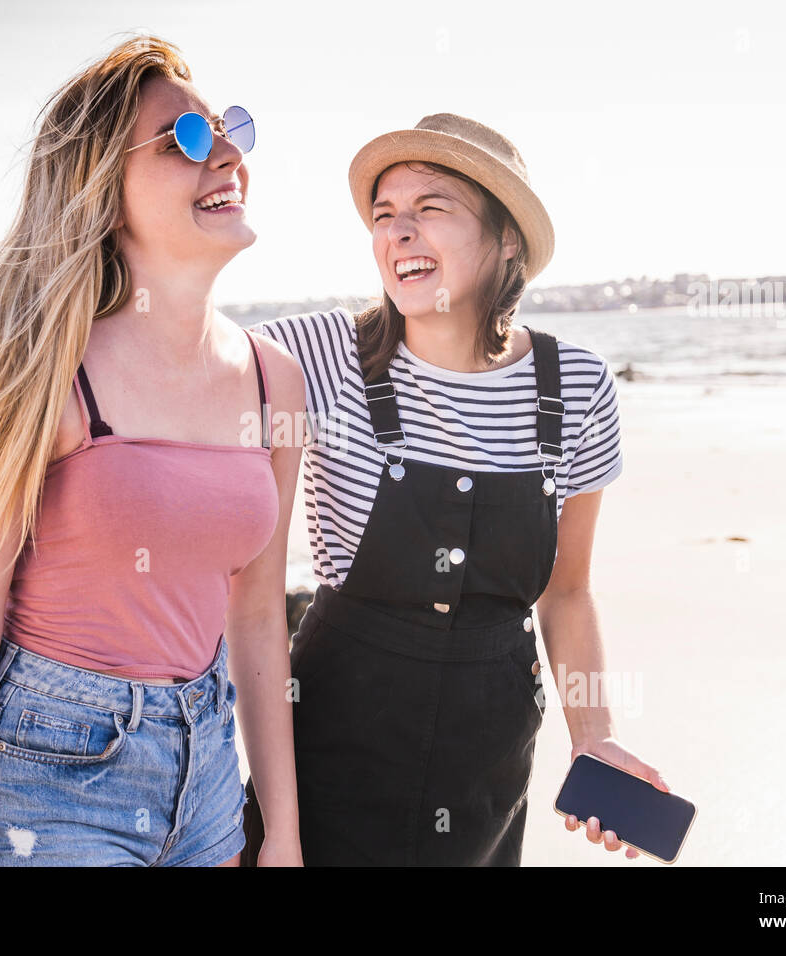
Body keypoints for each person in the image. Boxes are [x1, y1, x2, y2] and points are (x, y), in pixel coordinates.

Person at [0, 34, 304, 867]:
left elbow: (259, 615)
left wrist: (284, 833)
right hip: (50, 778)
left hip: (210, 774)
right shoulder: (40, 364)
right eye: (185, 139)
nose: (225, 152)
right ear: (102, 193)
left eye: (226, 128)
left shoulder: (274, 382)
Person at [244, 113, 669, 865]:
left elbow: (566, 593)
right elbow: (170, 364)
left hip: (486, 768)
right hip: (331, 747)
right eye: (384, 215)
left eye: (431, 208)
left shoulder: (576, 385)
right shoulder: (315, 354)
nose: (399, 232)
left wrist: (594, 738)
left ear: (508, 240)